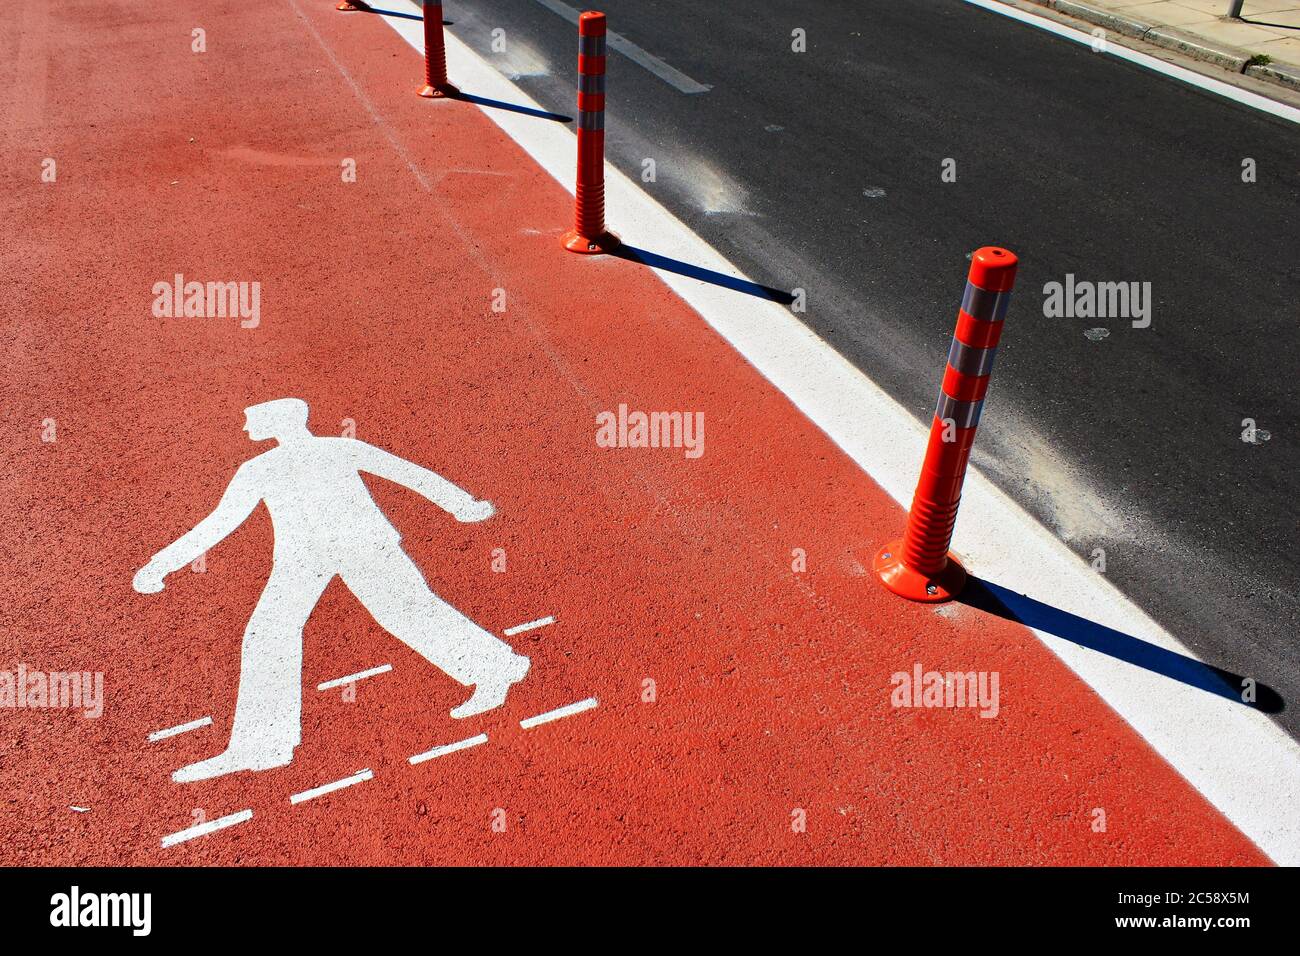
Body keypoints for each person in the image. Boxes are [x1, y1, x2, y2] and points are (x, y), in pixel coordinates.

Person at [133, 398, 529, 783]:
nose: (244, 427)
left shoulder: (277, 463)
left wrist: (160, 566)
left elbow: (218, 524)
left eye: (251, 419)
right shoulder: (282, 462)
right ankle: (262, 746)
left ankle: (499, 668)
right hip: (311, 556)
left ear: (276, 423)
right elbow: (409, 474)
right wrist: (462, 505)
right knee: (274, 632)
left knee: (400, 614)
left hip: (353, 547)